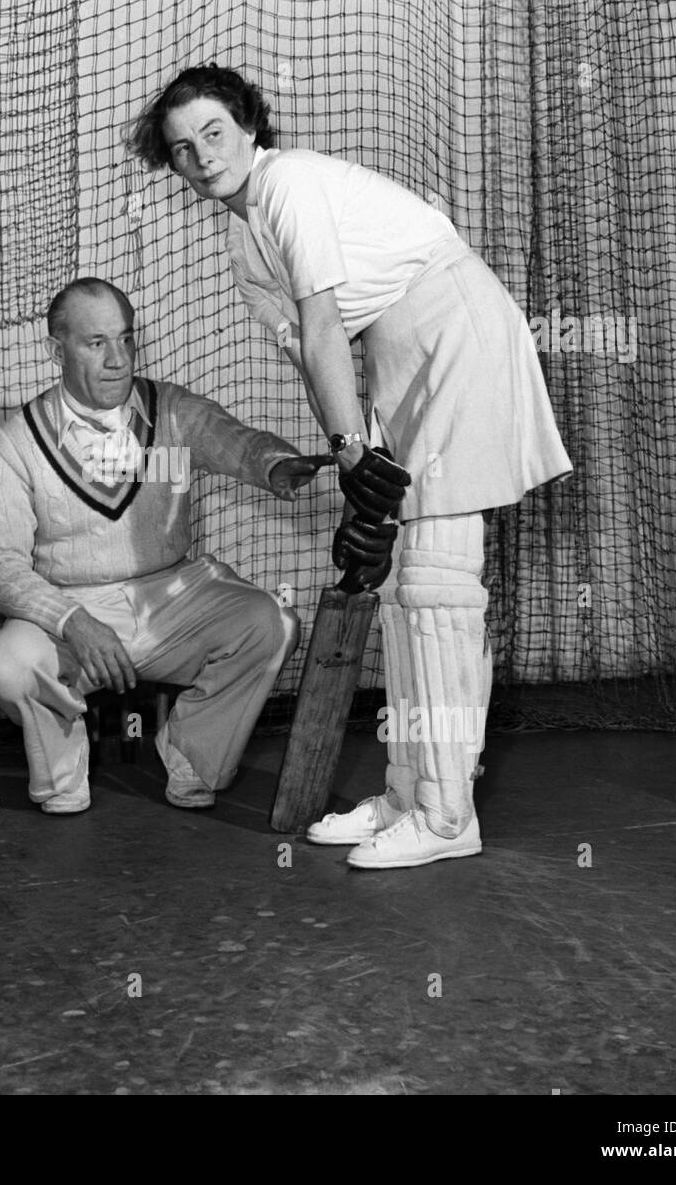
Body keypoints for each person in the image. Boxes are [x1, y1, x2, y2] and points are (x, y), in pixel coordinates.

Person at [128, 66, 572, 869]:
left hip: (453, 335)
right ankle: (410, 793)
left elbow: (329, 325)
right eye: (182, 150)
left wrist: (349, 451)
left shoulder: (289, 183)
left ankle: (445, 817)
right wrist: (356, 463)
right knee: (404, 587)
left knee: (437, 587)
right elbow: (310, 353)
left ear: (250, 125)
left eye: (213, 135)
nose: (200, 158)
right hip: (402, 364)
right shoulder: (245, 235)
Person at [0, 277, 328, 814]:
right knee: (11, 666)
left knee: (271, 624)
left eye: (126, 339)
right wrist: (73, 620)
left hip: (172, 597)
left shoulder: (171, 410)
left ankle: (190, 756)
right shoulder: (16, 443)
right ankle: (63, 779)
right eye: (96, 343)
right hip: (72, 607)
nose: (118, 359)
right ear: (56, 351)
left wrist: (274, 462)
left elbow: (234, 441)